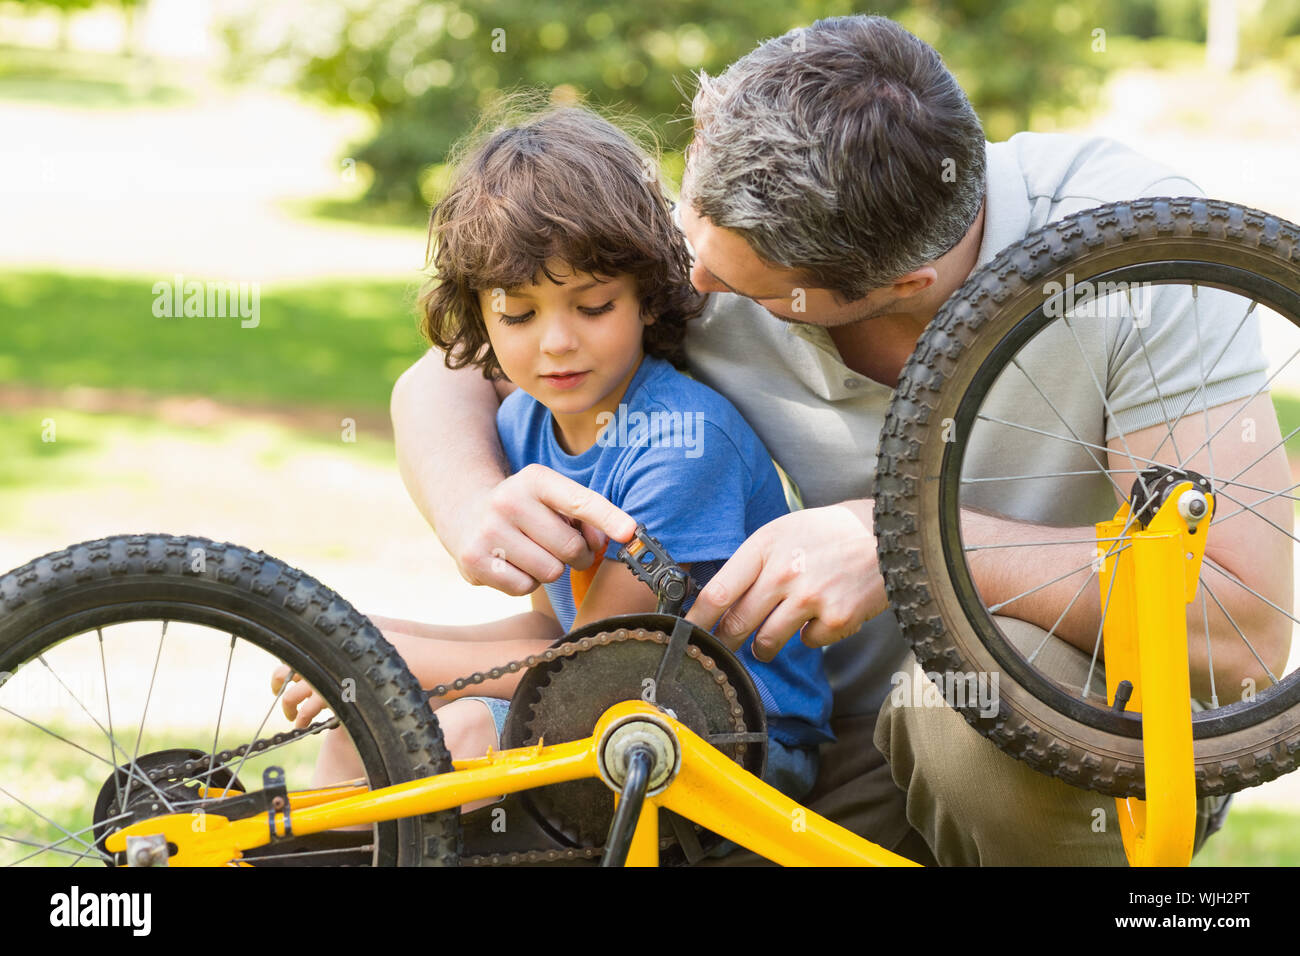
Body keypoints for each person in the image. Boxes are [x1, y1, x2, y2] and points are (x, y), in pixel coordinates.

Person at [390, 16, 1290, 864]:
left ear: (905, 282)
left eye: (742, 284)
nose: (690, 277)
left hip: (1057, 730)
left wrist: (904, 544)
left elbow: (1242, 620)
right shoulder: (723, 232)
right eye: (691, 220)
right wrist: (472, 502)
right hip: (800, 734)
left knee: (953, 711)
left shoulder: (1129, 249)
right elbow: (450, 371)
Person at [275, 101, 833, 805]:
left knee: (470, 730)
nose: (557, 343)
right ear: (480, 314)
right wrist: (375, 639)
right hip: (608, 705)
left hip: (735, 740)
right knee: (366, 725)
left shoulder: (683, 443)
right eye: (518, 313)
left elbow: (599, 666)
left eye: (593, 307)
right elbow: (551, 628)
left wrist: (387, 655)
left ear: (648, 300)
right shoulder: (522, 426)